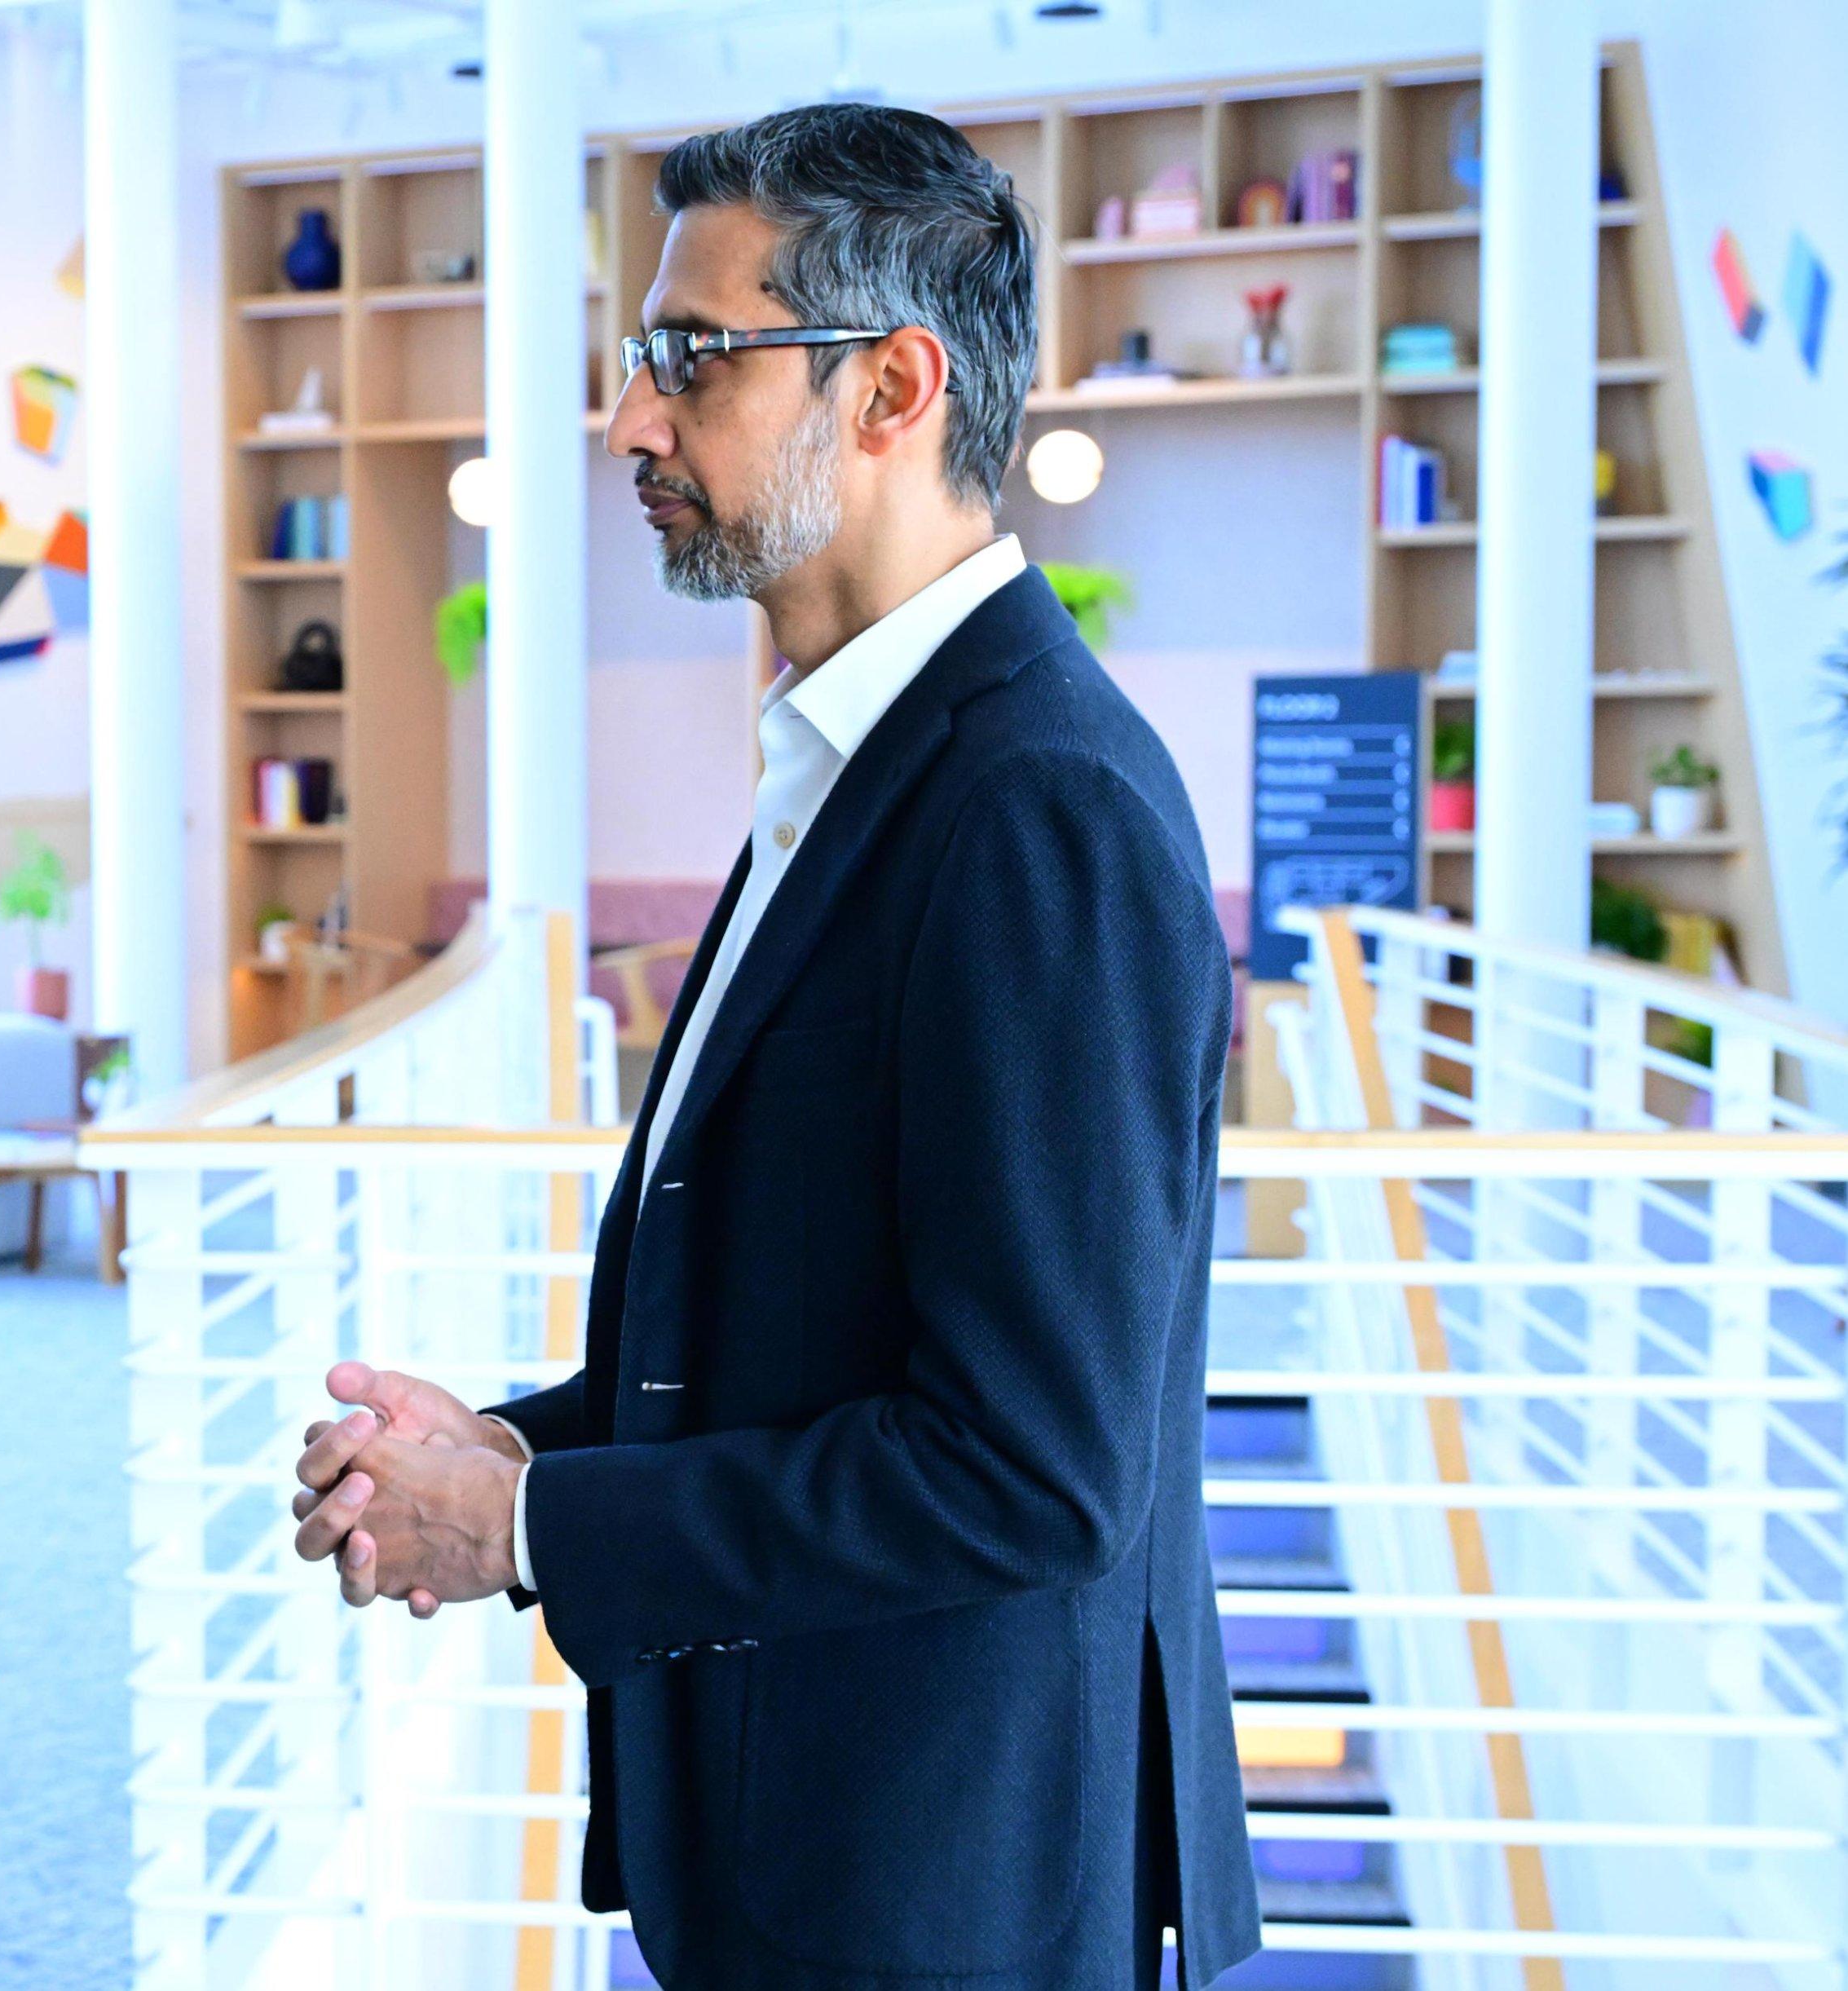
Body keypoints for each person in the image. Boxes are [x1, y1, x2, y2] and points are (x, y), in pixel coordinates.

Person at [288, 105, 1260, 1989]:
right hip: (820, 1851)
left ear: (890, 387)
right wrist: (506, 1450)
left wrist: (528, 1524)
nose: (628, 421)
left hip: (939, 1889)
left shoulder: (1031, 803)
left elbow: (1029, 1467)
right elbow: (815, 1342)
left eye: (690, 358)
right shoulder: (862, 754)